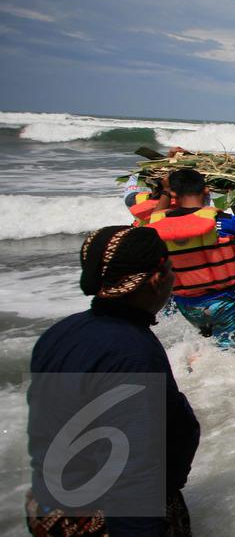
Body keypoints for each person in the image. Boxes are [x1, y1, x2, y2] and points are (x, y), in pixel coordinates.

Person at [26, 226, 199, 536]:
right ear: (156, 278)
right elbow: (133, 470)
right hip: (104, 517)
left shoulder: (61, 333)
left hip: (49, 504)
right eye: (171, 269)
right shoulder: (131, 353)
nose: (174, 277)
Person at [147, 168, 235, 349]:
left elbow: (154, 219)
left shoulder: (161, 225)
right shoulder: (222, 220)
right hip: (223, 302)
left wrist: (165, 190)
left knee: (209, 345)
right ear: (206, 190)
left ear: (174, 194)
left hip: (188, 307)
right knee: (231, 350)